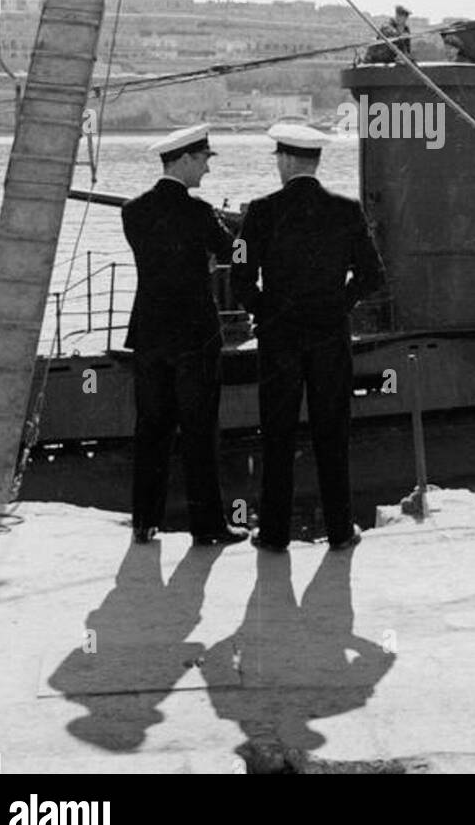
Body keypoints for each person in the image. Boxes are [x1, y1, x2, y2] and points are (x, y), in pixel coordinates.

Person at [230, 122, 386, 553]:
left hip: (279, 341)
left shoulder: (260, 212)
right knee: (331, 434)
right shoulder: (347, 210)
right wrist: (340, 303)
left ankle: (274, 533)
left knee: (277, 434)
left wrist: (268, 312)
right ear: (314, 161)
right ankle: (339, 529)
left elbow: (240, 274)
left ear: (284, 159)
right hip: (329, 338)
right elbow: (373, 274)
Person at [122, 124, 248, 546]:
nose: (207, 172)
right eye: (204, 161)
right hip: (195, 335)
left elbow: (161, 257)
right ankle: (208, 526)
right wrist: (241, 233)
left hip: (150, 334)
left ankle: (144, 521)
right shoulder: (199, 212)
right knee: (199, 431)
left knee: (151, 428)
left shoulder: (133, 211)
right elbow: (235, 252)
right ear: (185, 159)